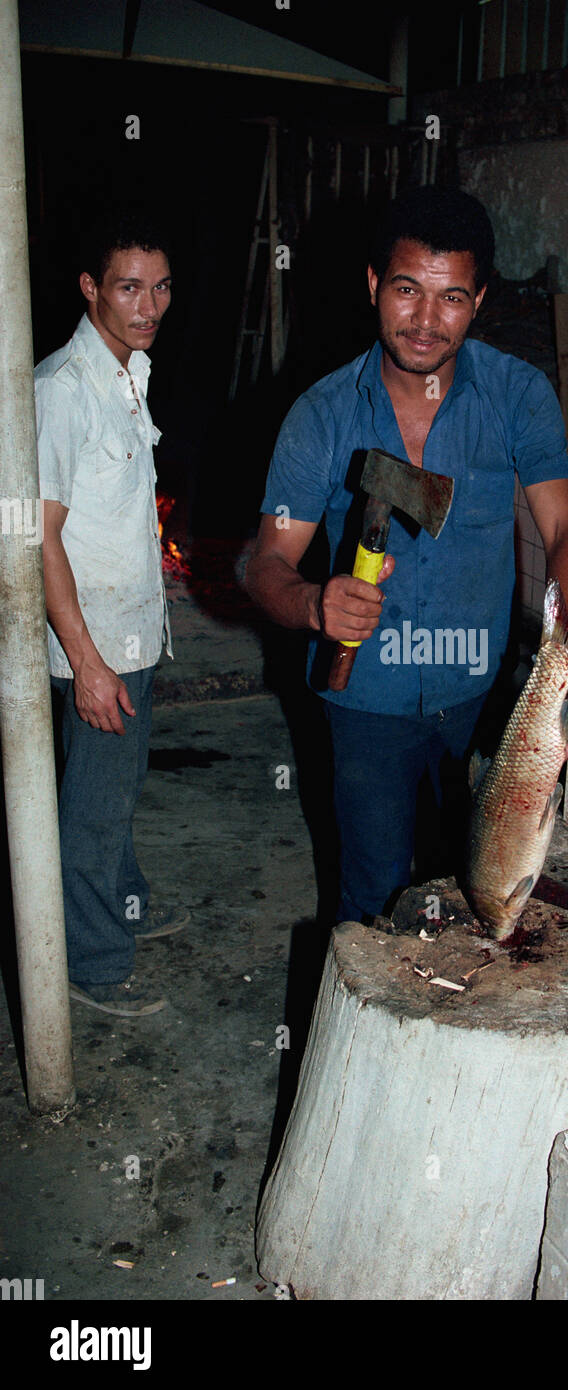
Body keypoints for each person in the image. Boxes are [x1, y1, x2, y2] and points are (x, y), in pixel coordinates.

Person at [246, 186, 568, 925]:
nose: (425, 321)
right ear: (375, 284)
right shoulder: (321, 416)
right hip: (364, 702)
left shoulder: (517, 396)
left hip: (481, 700)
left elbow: (566, 529)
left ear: (478, 299)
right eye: (408, 291)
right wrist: (315, 602)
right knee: (372, 899)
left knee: (484, 887)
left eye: (451, 299)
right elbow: (262, 564)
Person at [35, 212, 187, 1016]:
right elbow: (41, 538)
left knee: (114, 792)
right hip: (89, 643)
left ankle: (123, 904)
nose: (149, 305)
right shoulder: (61, 390)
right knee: (91, 811)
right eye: (130, 287)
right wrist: (87, 662)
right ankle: (89, 964)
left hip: (129, 633)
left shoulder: (132, 371)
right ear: (92, 287)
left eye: (161, 287)